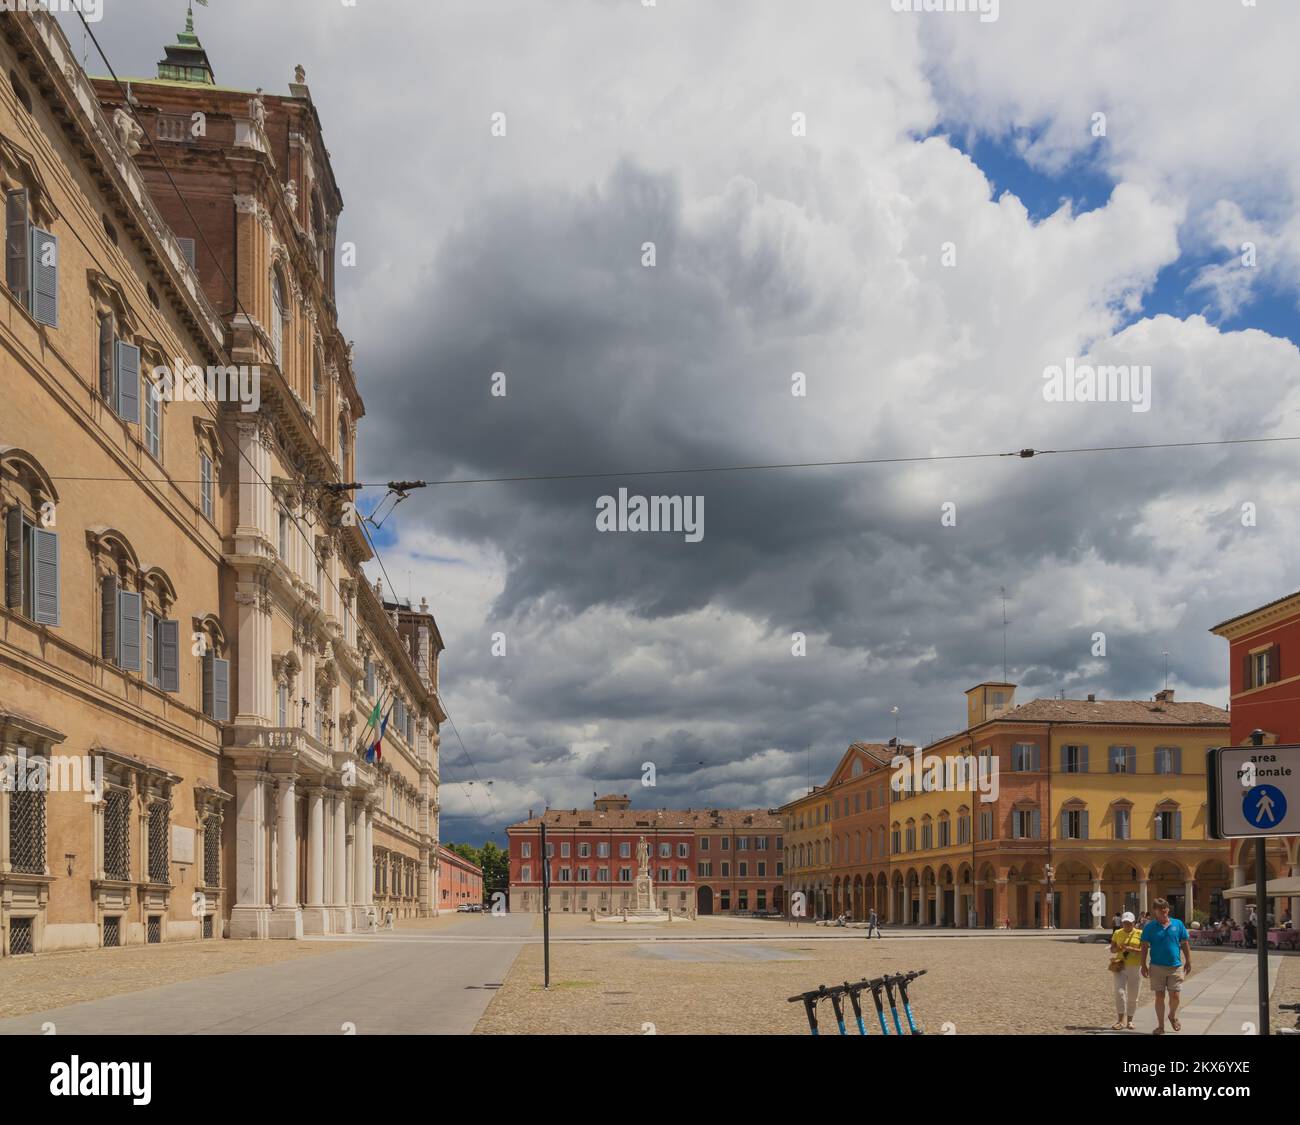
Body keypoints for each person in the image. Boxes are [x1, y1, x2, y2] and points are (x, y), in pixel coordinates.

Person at [1140, 898, 1192, 1035]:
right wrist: (1143, 965)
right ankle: (1160, 1026)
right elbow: (1144, 947)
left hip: (1175, 966)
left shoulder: (1178, 924)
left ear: (1168, 909)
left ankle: (1172, 1015)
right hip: (1157, 966)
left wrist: (1188, 961)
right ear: (1155, 911)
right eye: (1160, 909)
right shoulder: (1149, 927)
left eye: (1165, 908)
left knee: (1175, 995)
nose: (1164, 911)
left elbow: (1185, 943)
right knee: (1160, 996)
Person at [1109, 911, 1143, 1030]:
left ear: (1134, 923)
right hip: (1120, 966)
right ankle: (1120, 1020)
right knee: (1119, 992)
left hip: (1135, 966)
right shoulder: (1117, 933)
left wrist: (1130, 949)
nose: (1127, 925)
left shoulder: (1140, 933)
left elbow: (1144, 951)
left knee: (1133, 995)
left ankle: (1130, 1020)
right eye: (1125, 923)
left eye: (1129, 923)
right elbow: (1112, 949)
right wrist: (1117, 948)